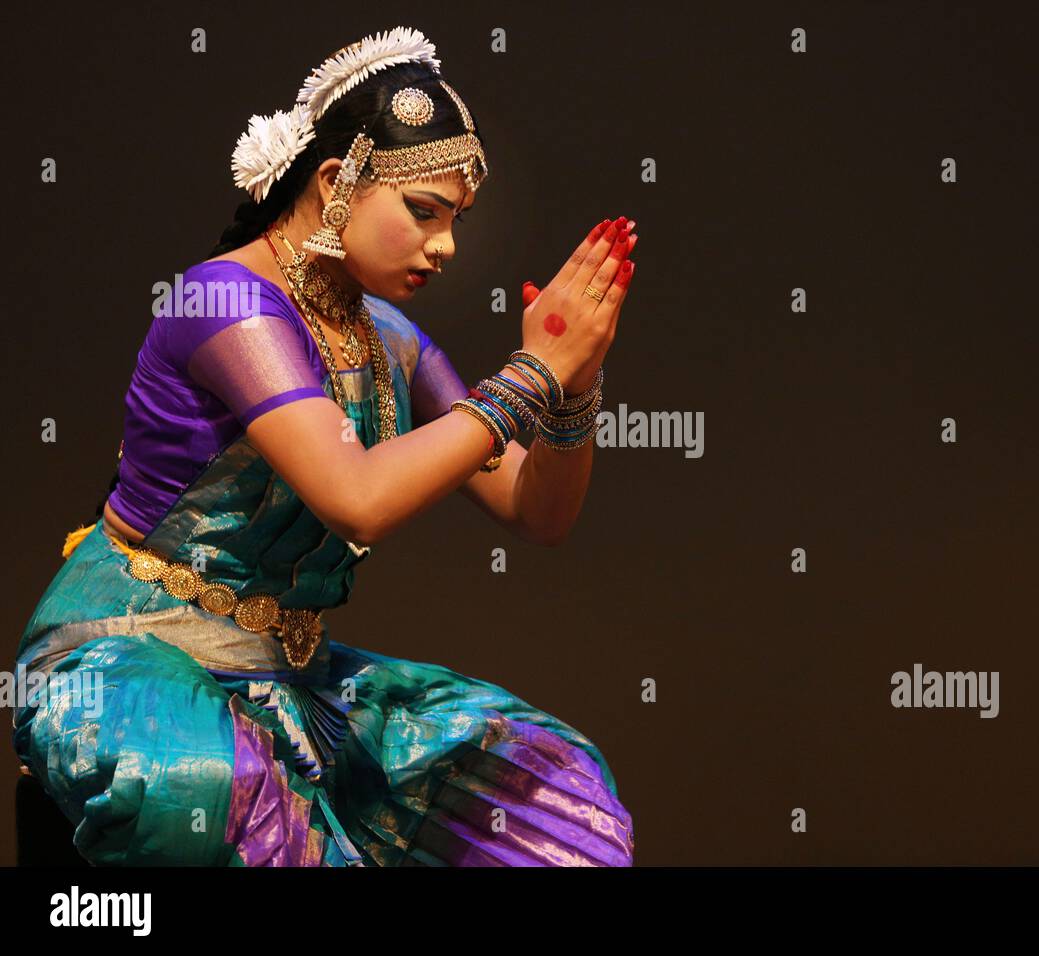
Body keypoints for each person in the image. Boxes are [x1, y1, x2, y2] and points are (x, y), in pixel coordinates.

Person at [10, 27, 638, 866]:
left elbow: (536, 508)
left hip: (288, 680)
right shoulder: (225, 302)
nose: (445, 245)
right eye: (424, 212)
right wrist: (529, 374)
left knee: (549, 785)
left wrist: (575, 385)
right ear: (337, 182)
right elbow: (359, 498)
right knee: (198, 787)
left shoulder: (390, 342)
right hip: (134, 658)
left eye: (455, 220)